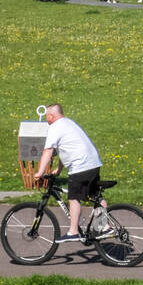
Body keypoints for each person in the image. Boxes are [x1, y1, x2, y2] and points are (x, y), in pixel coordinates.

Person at [34, 103, 108, 244]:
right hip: (93, 163)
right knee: (95, 196)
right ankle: (104, 227)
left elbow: (48, 151)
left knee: (73, 197)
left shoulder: (55, 127)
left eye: (46, 117)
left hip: (80, 166)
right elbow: (67, 148)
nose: (46, 120)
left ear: (50, 116)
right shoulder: (68, 123)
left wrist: (40, 172)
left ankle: (73, 232)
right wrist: (59, 169)